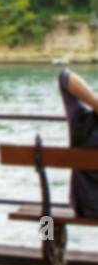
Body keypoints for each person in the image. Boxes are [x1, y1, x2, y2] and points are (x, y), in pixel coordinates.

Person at [59, 69, 98, 217]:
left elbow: (64, 77)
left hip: (86, 208)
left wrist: (94, 102)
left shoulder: (80, 123)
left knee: (46, 217)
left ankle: (47, 236)